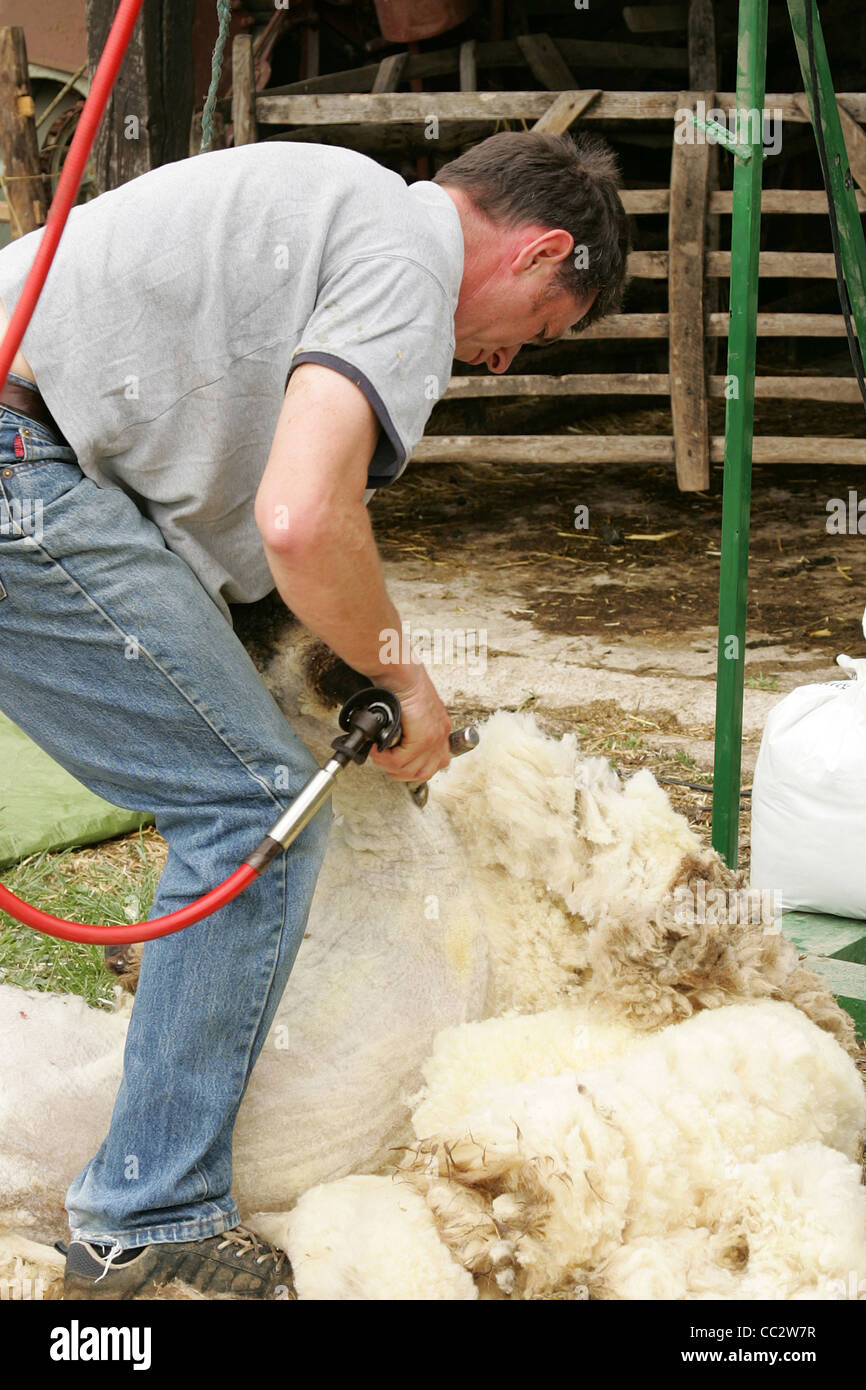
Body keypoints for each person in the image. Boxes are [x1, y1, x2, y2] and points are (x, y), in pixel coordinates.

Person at [0, 129, 628, 1299]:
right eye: (533, 335)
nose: (498, 365)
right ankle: (148, 1217)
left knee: (240, 769)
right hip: (17, 461)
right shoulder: (405, 255)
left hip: (34, 445)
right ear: (543, 253)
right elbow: (300, 518)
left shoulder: (333, 204)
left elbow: (243, 526)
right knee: (249, 811)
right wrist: (403, 676)